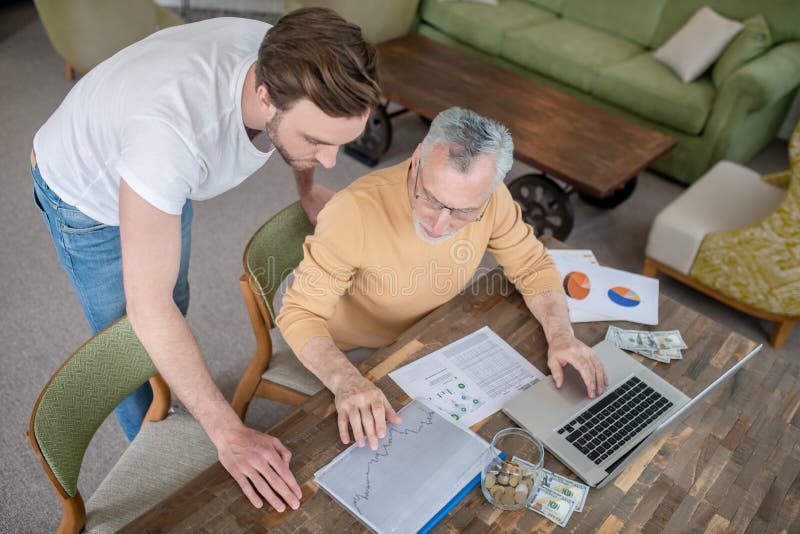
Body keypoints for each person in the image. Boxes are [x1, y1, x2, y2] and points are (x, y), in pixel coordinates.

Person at [30, 8, 380, 512]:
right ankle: (151, 441)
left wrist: (307, 187)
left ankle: (180, 391)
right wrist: (229, 433)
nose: (331, 159)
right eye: (318, 143)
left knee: (174, 298)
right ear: (265, 97)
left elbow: (297, 142)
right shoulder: (168, 142)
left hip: (151, 162)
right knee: (130, 336)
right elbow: (146, 308)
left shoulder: (288, 59)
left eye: (339, 144)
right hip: (85, 194)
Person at [276, 107, 609, 453]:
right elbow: (299, 313)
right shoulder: (353, 212)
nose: (438, 226)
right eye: (432, 200)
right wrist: (345, 379)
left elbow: (531, 265)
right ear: (418, 157)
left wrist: (561, 336)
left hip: (430, 333)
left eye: (463, 212)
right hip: (354, 348)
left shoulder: (492, 201)